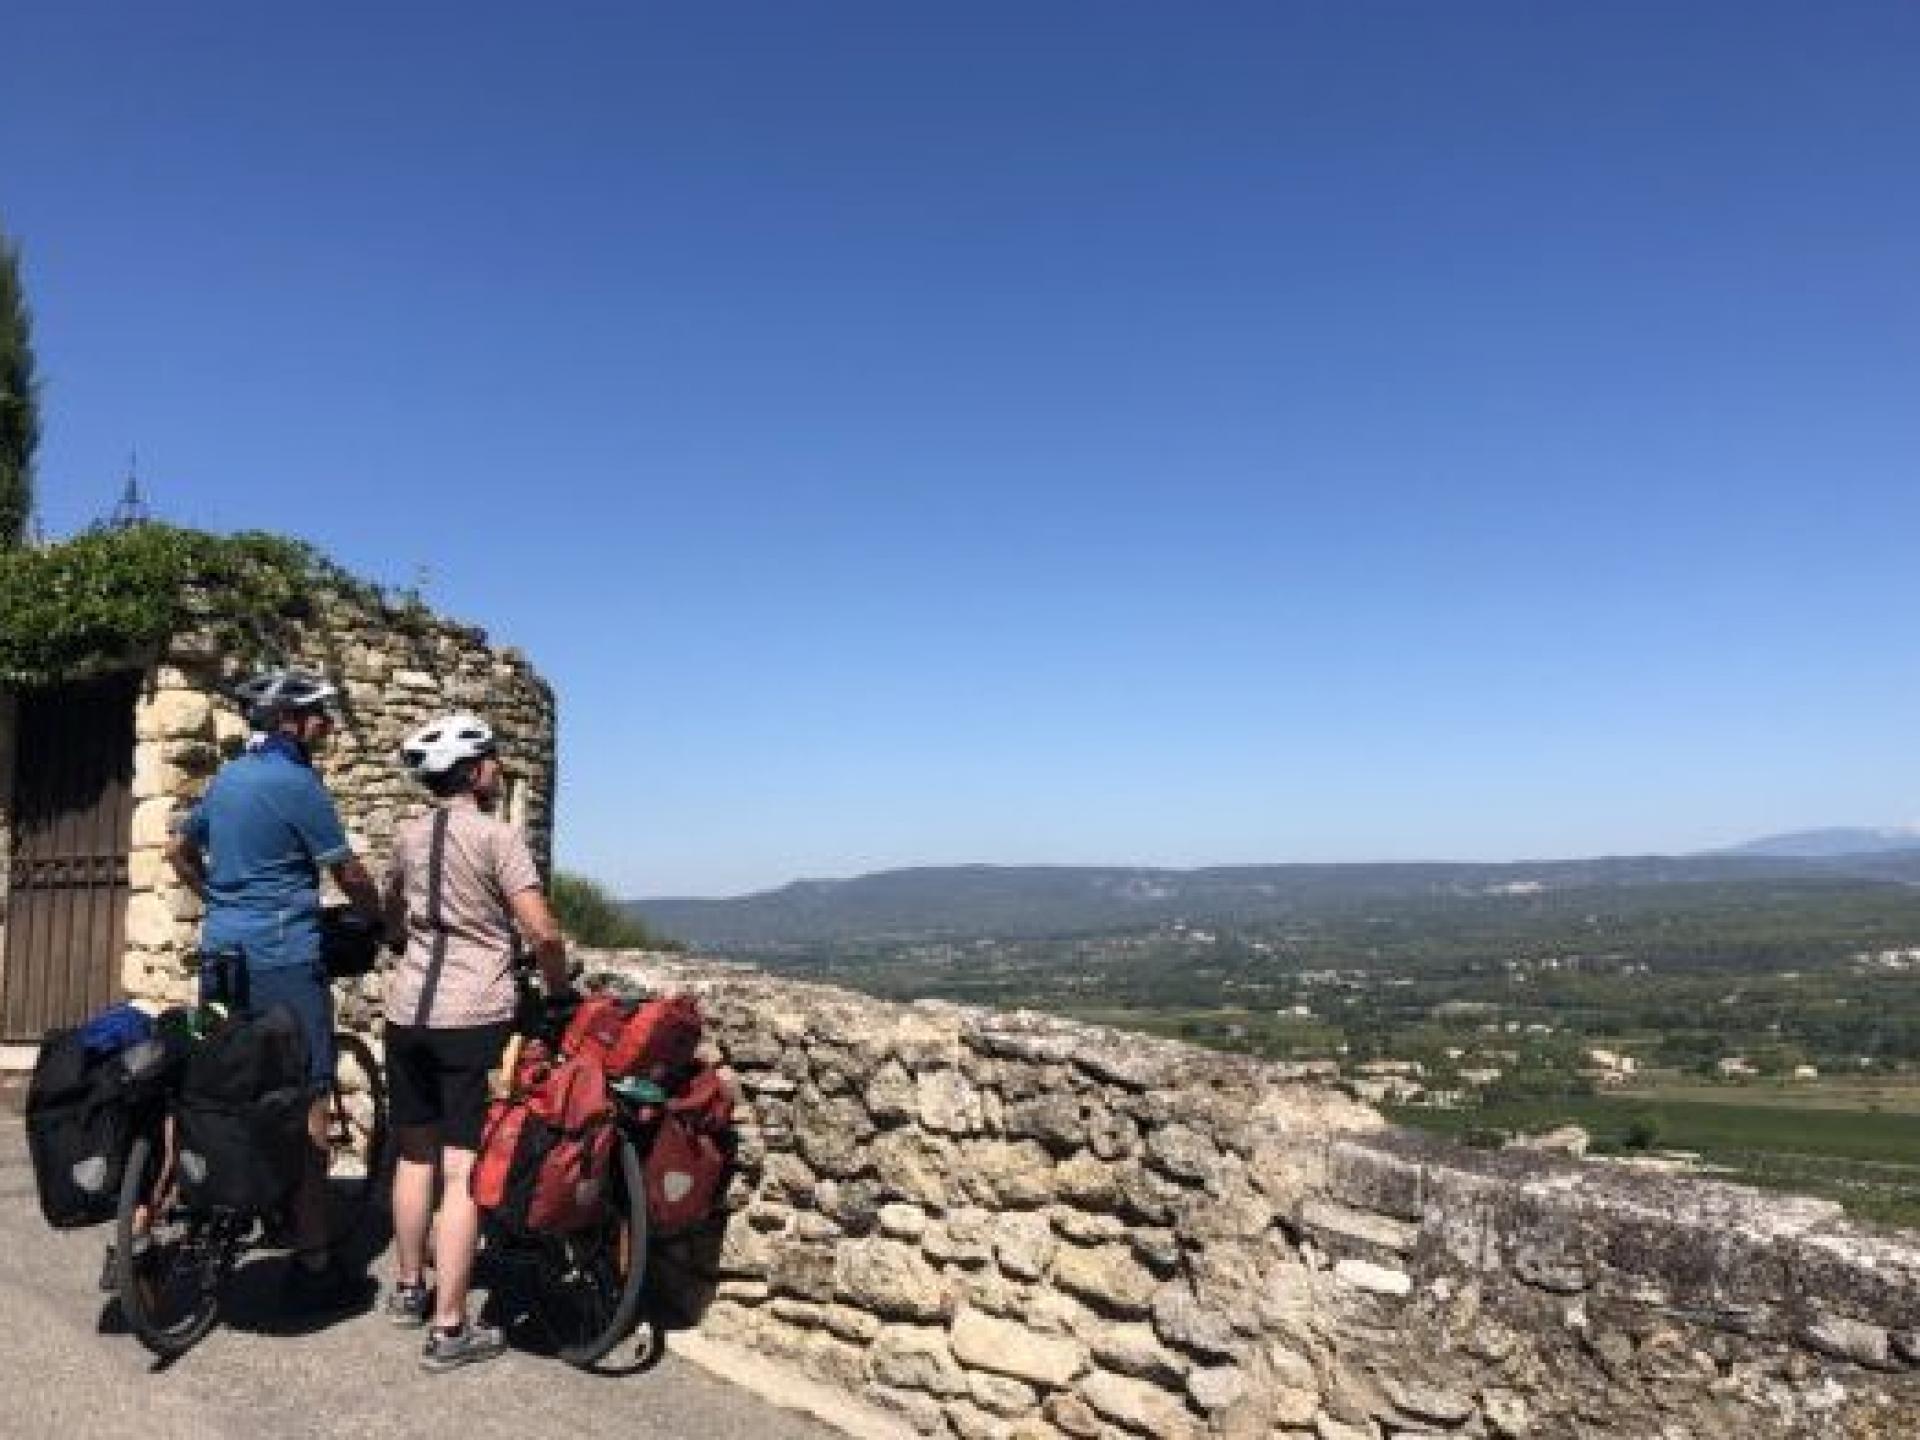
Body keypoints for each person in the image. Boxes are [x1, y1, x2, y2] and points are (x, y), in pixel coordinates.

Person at [165, 666, 384, 1310]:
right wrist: (378, 918)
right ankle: (313, 1258)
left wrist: (217, 900)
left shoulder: (228, 778)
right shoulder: (298, 785)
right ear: (290, 721)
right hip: (284, 960)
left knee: (215, 1078)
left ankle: (178, 1211)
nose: (327, 724)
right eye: (319, 714)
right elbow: (347, 872)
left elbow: (178, 849)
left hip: (220, 956)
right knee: (311, 1092)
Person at [380, 710, 570, 1372]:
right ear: (473, 770)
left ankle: (408, 1291)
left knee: (413, 1157)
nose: (498, 766)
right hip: (473, 1017)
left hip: (406, 1014)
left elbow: (393, 915)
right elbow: (542, 931)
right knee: (463, 1171)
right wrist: (557, 990)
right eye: (490, 756)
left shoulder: (407, 836)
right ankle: (450, 1328)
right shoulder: (497, 837)